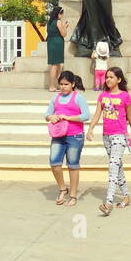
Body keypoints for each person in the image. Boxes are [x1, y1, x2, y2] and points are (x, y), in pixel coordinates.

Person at [86, 67, 131, 216]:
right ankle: (126, 196)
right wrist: (90, 129)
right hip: (106, 136)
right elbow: (97, 114)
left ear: (119, 80)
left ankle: (108, 203)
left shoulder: (125, 96)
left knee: (112, 167)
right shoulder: (102, 96)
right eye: (107, 77)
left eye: (111, 77)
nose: (108, 79)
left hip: (120, 136)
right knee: (117, 166)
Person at [45, 70, 90, 208]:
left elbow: (86, 115)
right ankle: (63, 188)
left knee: (73, 165)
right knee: (54, 162)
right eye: (61, 84)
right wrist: (51, 117)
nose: (63, 87)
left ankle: (73, 195)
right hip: (58, 136)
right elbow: (47, 114)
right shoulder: (55, 98)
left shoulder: (78, 98)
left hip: (75, 136)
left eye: (66, 84)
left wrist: (69, 118)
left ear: (73, 84)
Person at [45, 5, 69, 92]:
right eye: (61, 14)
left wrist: (64, 27)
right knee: (55, 65)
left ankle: (59, 85)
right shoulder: (58, 22)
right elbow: (63, 34)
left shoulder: (50, 22)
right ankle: (52, 86)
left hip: (51, 42)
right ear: (59, 14)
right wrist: (65, 27)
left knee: (57, 64)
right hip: (57, 43)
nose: (62, 16)